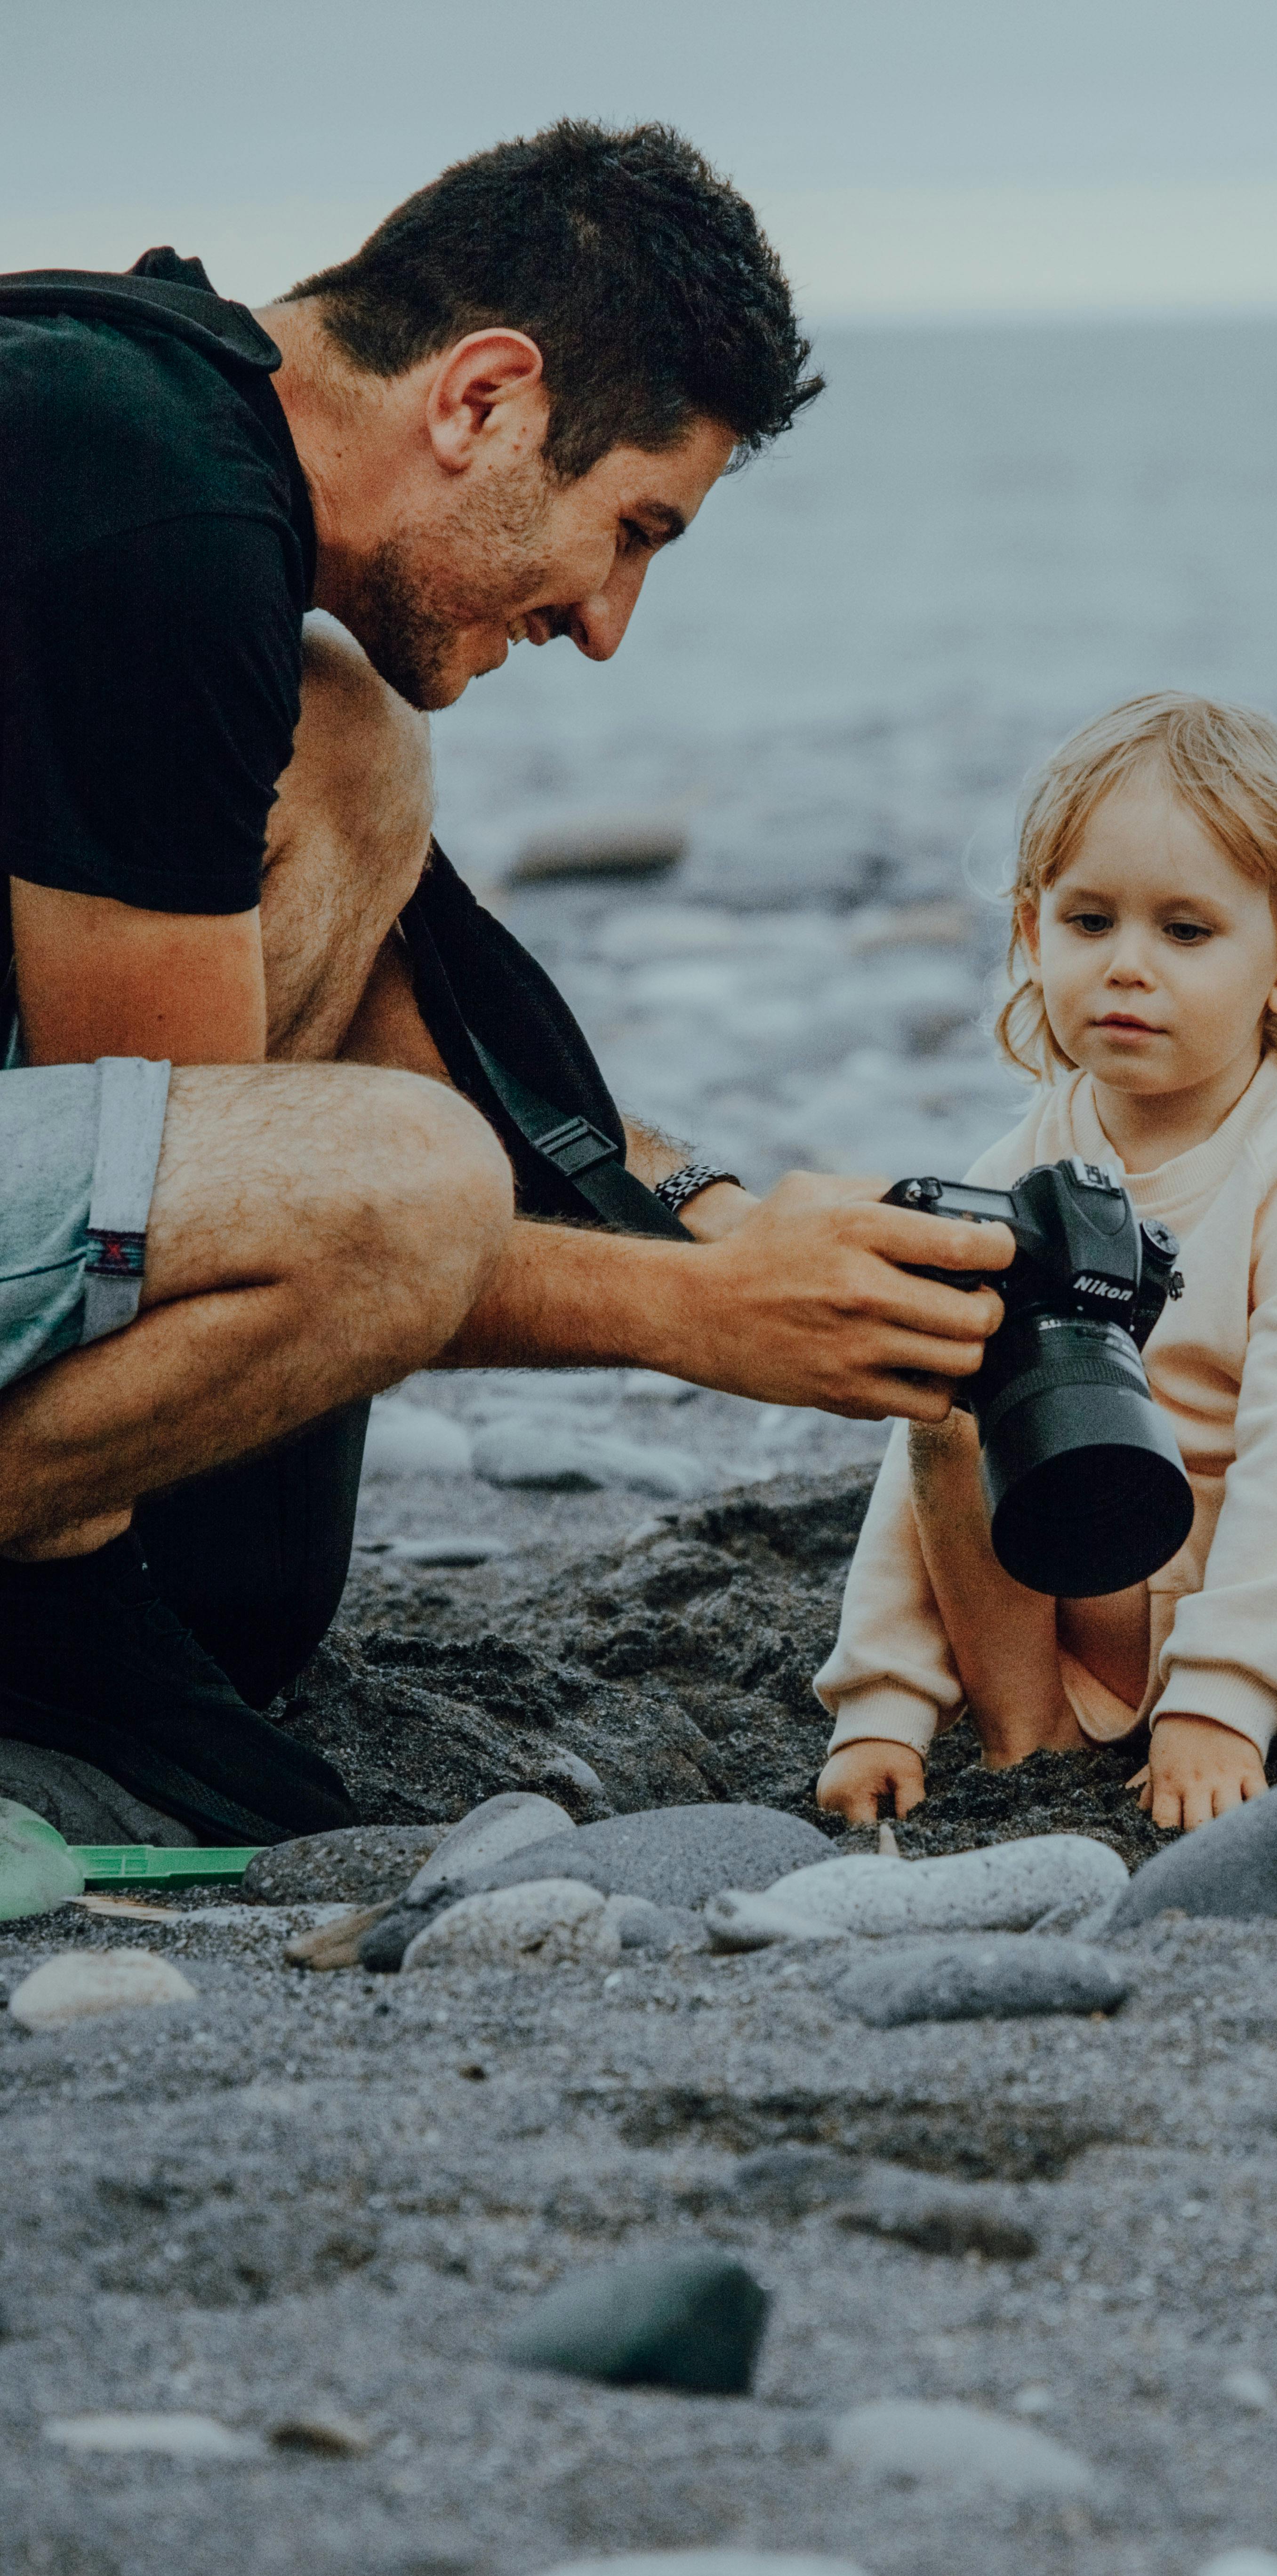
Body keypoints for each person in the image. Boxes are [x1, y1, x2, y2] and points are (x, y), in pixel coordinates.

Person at [0, 120, 1010, 1840]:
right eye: (632, 531)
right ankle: (55, 1626)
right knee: (409, 1177)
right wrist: (699, 1320)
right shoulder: (151, 508)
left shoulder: (150, 415)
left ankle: (79, 1600)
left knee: (352, 751)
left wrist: (721, 1215)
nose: (610, 622)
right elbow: (219, 1200)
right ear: (483, 399)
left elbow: (275, 1108)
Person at [813, 693, 1277, 1832]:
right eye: (1089, 923)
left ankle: (1244, 1721)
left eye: (1184, 931)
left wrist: (1224, 1696)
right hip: (1096, 1583)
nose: (1127, 967)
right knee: (943, 1403)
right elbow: (919, 1489)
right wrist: (881, 1701)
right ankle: (1031, 1741)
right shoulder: (1018, 1168)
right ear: (1031, 932)